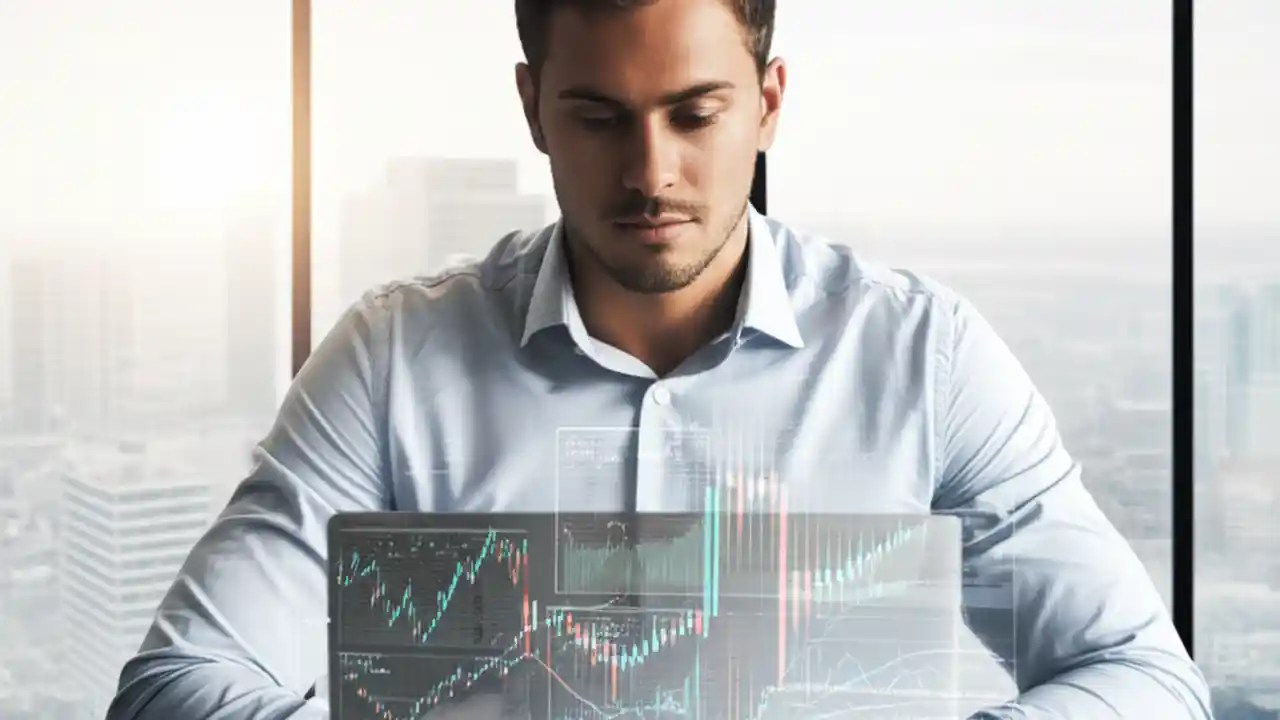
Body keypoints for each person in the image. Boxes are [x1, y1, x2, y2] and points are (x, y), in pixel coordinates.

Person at [107, 0, 1213, 718]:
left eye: (694, 114)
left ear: (766, 105)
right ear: (532, 106)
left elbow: (1142, 678)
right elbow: (177, 692)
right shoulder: (397, 361)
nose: (650, 173)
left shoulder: (920, 358)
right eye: (598, 117)